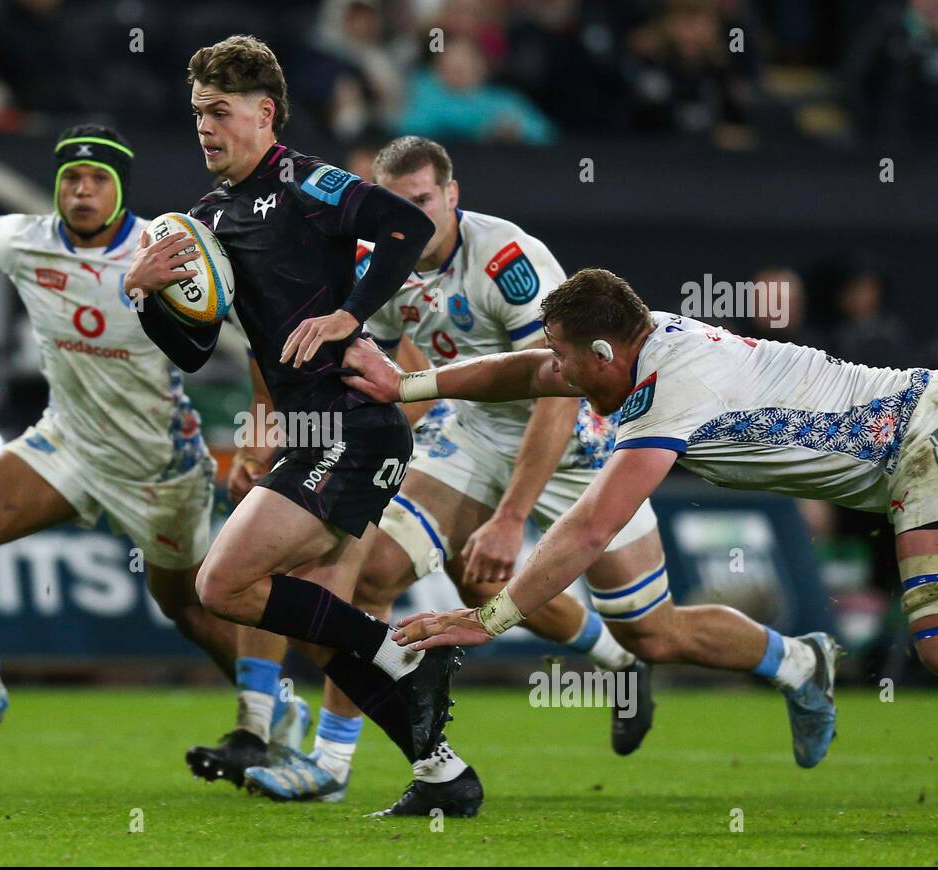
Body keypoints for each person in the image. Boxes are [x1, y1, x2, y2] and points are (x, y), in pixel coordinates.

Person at [345, 267, 938, 765]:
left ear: (602, 352)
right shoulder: (640, 339)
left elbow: (591, 526)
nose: (560, 371)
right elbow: (528, 371)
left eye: (564, 356)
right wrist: (406, 385)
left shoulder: (668, 389)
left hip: (922, 440)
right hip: (914, 444)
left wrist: (488, 620)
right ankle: (799, 664)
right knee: (646, 630)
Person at [242, 136, 660, 811]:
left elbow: (558, 387)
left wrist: (511, 517)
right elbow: (347, 356)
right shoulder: (380, 267)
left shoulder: (506, 261)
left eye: (425, 201)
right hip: (470, 432)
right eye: (398, 205)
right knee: (372, 571)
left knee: (655, 625)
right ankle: (332, 761)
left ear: (452, 195)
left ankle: (773, 663)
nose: (416, 217)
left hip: (568, 436)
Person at [0, 125, 292, 753]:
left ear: (120, 190)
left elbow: (261, 335)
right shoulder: (23, 239)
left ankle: (274, 718)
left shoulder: (168, 249)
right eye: (70, 179)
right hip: (67, 443)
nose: (82, 191)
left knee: (192, 609)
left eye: (97, 180)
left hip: (158, 465)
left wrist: (260, 430)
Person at [123, 35, 473, 816]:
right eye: (196, 114)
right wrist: (145, 296)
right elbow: (196, 346)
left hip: (356, 424)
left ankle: (403, 658)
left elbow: (404, 231)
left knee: (221, 582)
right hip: (313, 436)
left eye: (219, 111)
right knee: (323, 632)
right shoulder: (208, 217)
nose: (205, 128)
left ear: (264, 113)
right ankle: (445, 771)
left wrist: (349, 312)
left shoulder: (306, 181)